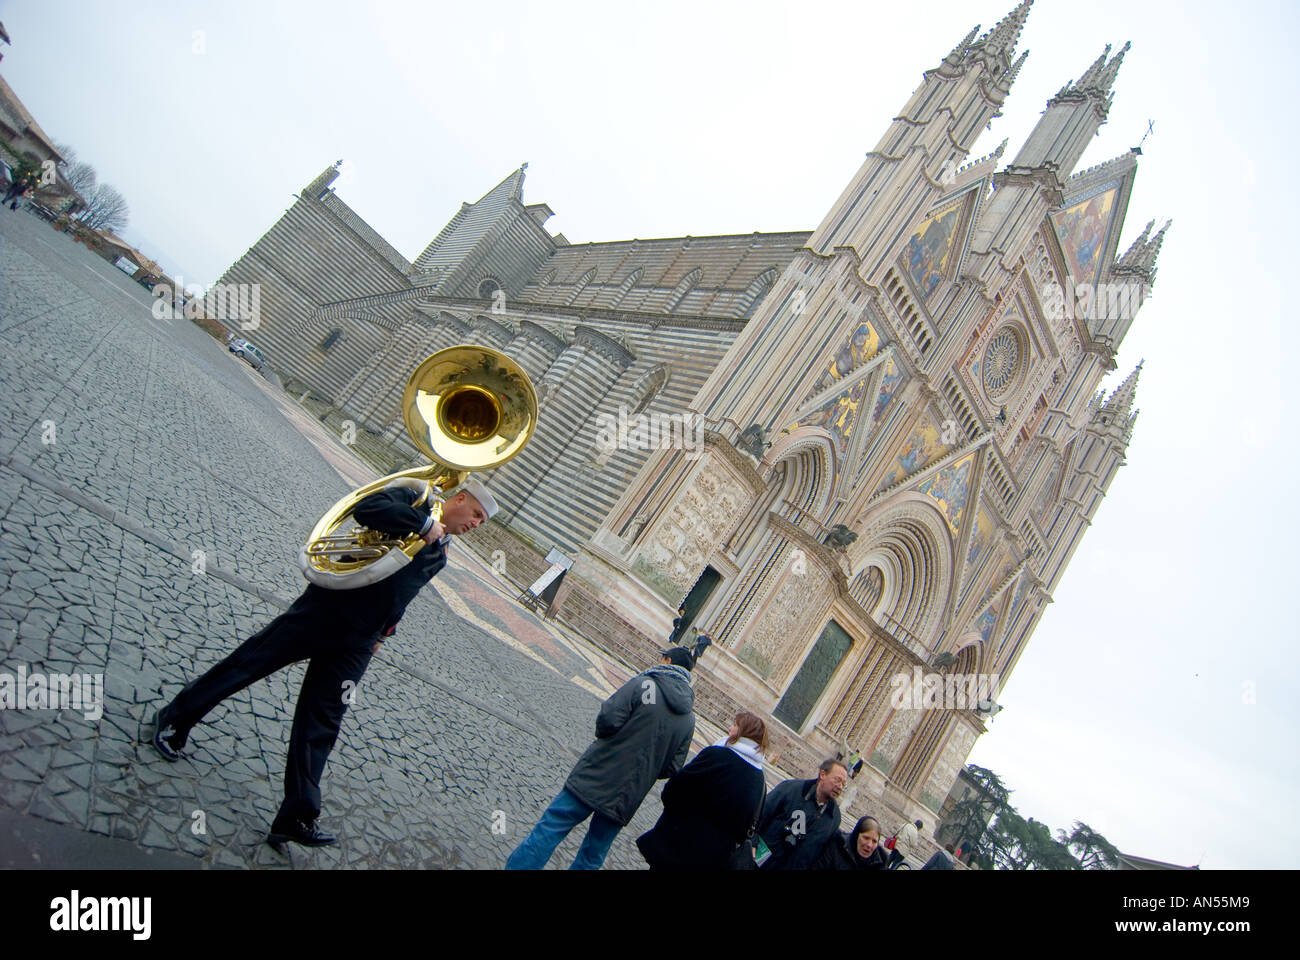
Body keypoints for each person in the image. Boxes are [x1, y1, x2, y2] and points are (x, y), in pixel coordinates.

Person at [147, 478, 498, 850]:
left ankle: (295, 815)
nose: (475, 523)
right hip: (323, 612)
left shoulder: (442, 552)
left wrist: (383, 635)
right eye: (475, 513)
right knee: (248, 664)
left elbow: (403, 596)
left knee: (323, 721)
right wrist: (424, 525)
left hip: (357, 642)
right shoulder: (416, 498)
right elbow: (367, 509)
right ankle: (174, 719)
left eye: (481, 521)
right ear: (459, 498)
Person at [506, 647, 696, 870]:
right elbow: (673, 767)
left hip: (596, 773)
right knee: (593, 855)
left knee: (550, 828)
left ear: (668, 660)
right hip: (627, 795)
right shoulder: (688, 719)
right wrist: (648, 769)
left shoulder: (645, 685)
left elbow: (607, 719)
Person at [636, 711, 768, 870]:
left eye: (735, 725)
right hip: (712, 860)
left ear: (743, 733)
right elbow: (747, 828)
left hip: (678, 844)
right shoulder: (760, 780)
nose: (729, 728)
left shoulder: (717, 755)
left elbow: (675, 788)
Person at [755, 759, 848, 870]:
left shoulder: (834, 817)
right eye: (837, 780)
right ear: (823, 774)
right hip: (759, 862)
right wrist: (752, 844)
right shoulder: (792, 789)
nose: (840, 787)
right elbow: (759, 814)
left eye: (843, 784)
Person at [817, 815, 889, 870]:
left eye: (874, 841)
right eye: (866, 838)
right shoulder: (837, 845)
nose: (869, 845)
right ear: (856, 835)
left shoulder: (880, 863)